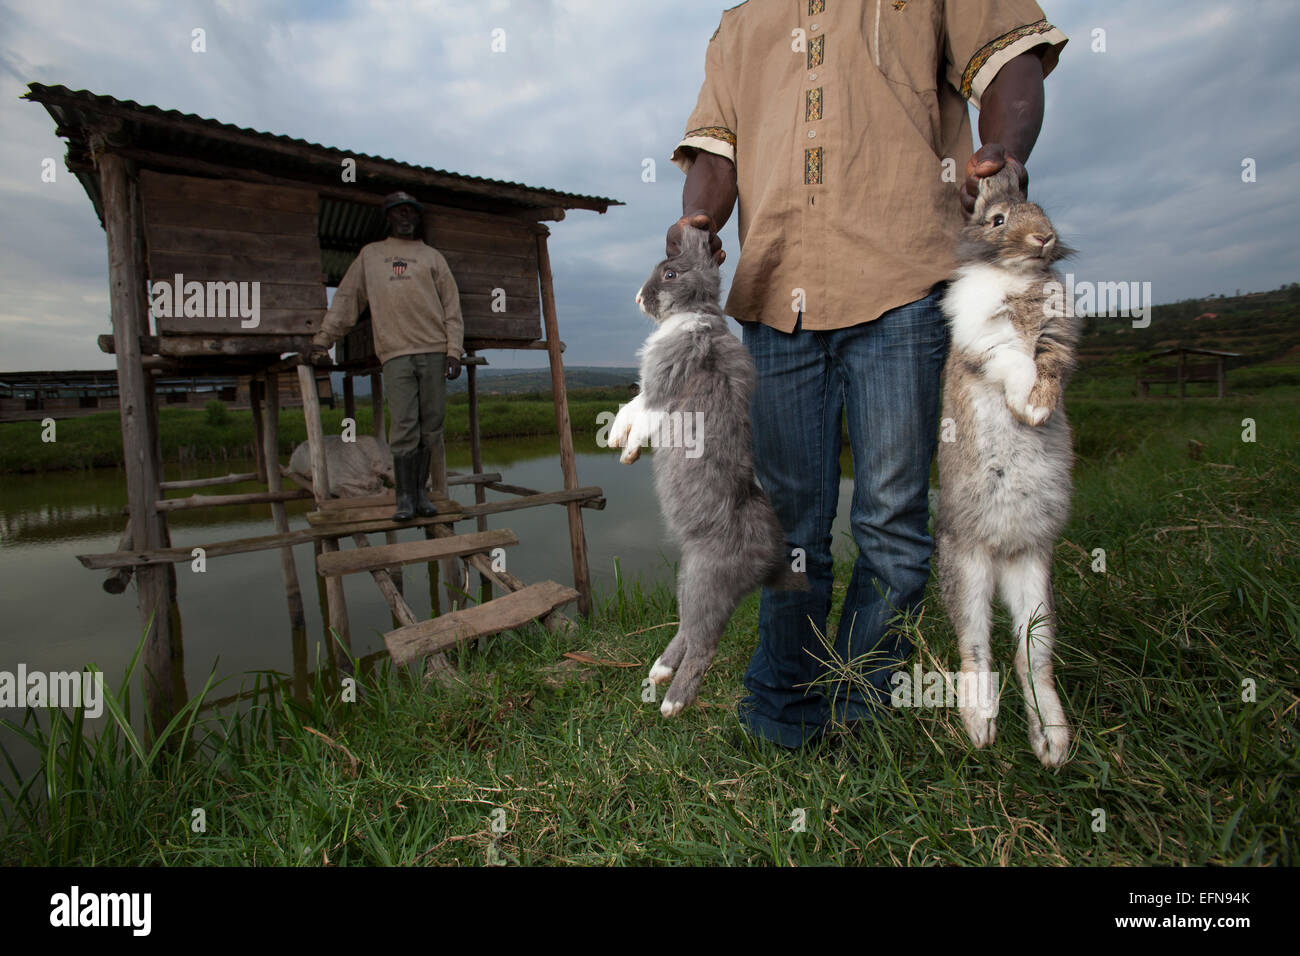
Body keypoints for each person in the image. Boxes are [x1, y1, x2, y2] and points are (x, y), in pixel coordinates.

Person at [666, 0, 1068, 748]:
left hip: (905, 278)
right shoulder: (740, 25)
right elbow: (715, 150)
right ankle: (782, 708)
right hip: (774, 289)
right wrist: (697, 221)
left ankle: (861, 707)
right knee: (789, 523)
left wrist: (1003, 152)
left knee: (890, 517)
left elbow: (1010, 54)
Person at [309, 191, 465, 521]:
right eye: (399, 212)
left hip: (434, 350)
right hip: (396, 352)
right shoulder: (371, 255)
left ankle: (422, 493)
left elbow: (452, 307)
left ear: (417, 217)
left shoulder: (432, 257)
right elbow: (347, 300)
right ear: (389, 217)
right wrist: (323, 340)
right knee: (405, 424)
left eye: (411, 211)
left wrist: (454, 351)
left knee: (431, 424)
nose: (405, 217)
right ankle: (405, 498)